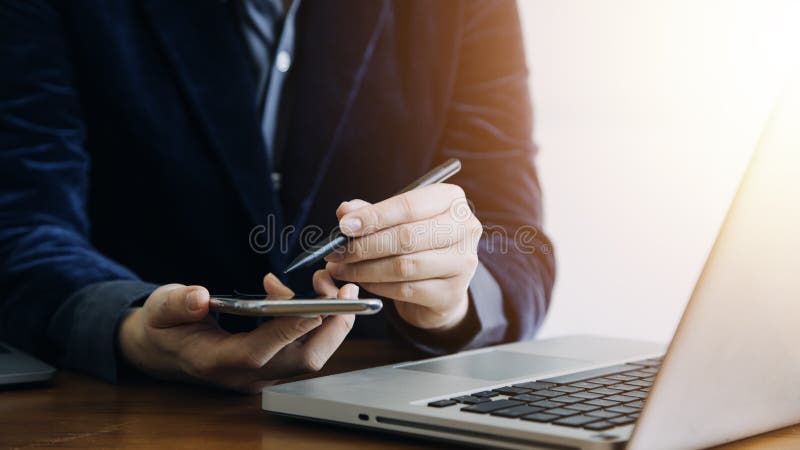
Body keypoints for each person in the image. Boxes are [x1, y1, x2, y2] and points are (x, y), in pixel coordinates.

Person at [0, 0, 555, 393]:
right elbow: (23, 227)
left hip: (379, 401)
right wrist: (129, 328)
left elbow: (516, 240)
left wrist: (451, 297)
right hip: (138, 407)